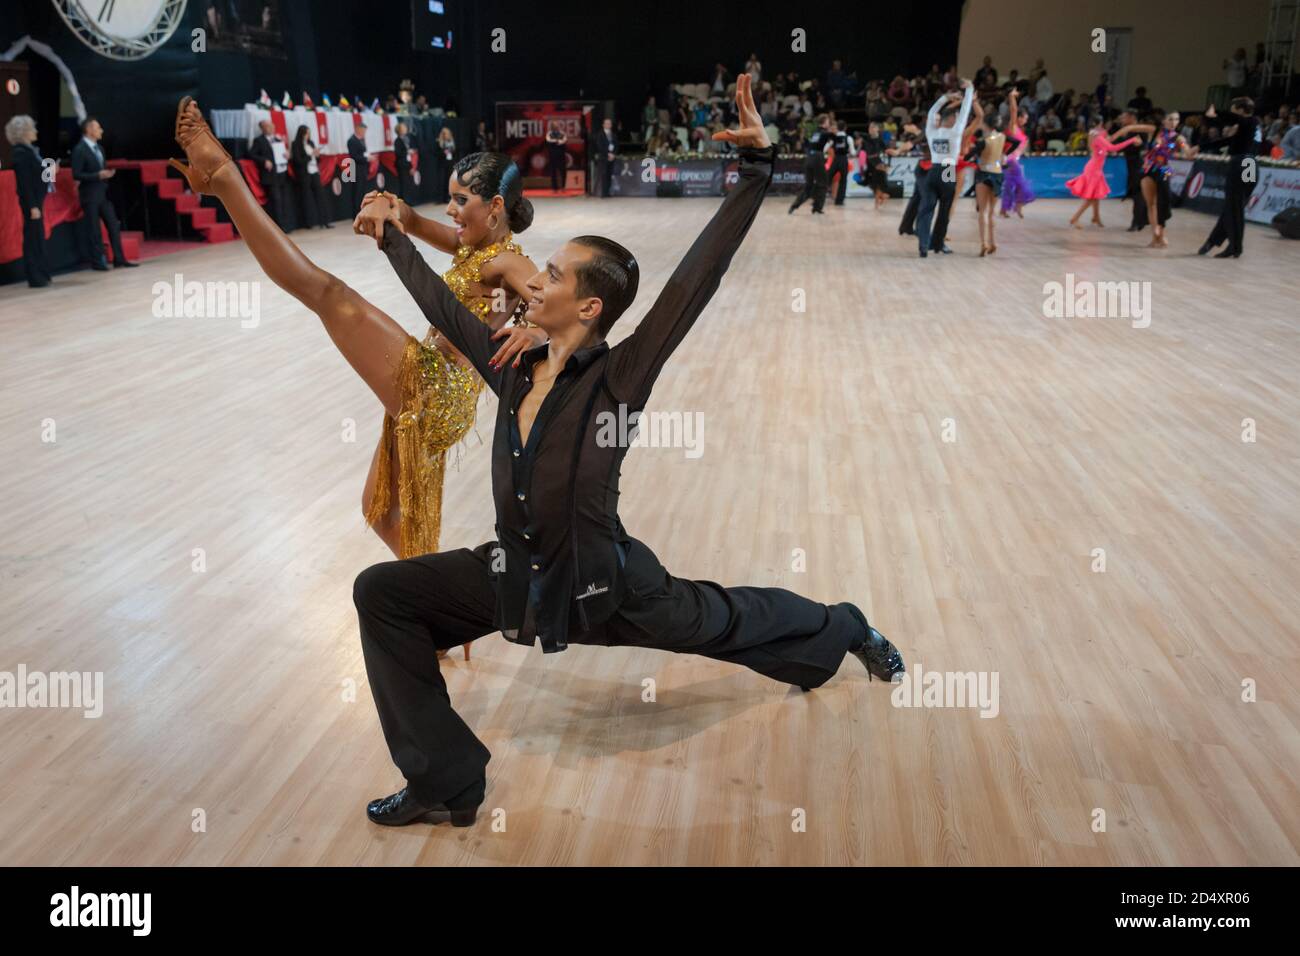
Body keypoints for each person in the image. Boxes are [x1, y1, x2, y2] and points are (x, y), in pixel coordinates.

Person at [348, 75, 905, 827]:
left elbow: (694, 282)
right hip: (517, 576)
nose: (532, 279)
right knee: (383, 594)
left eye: (550, 275)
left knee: (729, 621)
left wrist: (756, 173)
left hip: (609, 586)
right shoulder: (513, 364)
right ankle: (445, 779)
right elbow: (442, 303)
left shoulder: (620, 376)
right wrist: (390, 237)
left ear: (588, 307)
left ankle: (844, 626)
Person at [168, 97, 547, 654]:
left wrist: (535, 330)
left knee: (328, 294)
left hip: (439, 389)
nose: (449, 211)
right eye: (449, 198)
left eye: (460, 201)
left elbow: (547, 298)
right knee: (379, 507)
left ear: (494, 208)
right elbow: (411, 220)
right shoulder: (471, 243)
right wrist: (387, 203)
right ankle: (445, 607)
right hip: (426, 381)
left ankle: (225, 179)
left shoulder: (507, 260)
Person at [915, 80, 976, 258]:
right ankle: (938, 244)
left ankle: (923, 246)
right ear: (952, 119)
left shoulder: (932, 132)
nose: (958, 119)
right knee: (944, 210)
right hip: (948, 170)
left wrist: (945, 98)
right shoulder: (955, 133)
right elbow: (965, 111)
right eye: (956, 117)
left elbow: (932, 112)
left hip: (933, 170)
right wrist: (970, 89)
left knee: (926, 209)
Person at [1197, 98, 1260, 258]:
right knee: (1233, 207)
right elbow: (1227, 140)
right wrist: (1199, 147)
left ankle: (1235, 246)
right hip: (1250, 164)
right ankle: (1213, 241)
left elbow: (1233, 119)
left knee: (1234, 207)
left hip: (1243, 164)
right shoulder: (1247, 127)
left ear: (1241, 110)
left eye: (1234, 110)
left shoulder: (1251, 121)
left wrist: (1214, 114)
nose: (1232, 114)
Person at [70, 117, 136, 269]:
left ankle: (119, 259)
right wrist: (97, 175)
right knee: (94, 229)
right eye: (98, 128)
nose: (101, 131)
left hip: (102, 194)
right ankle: (98, 261)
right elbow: (76, 174)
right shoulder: (79, 150)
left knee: (113, 225)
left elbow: (101, 168)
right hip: (89, 195)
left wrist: (105, 175)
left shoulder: (100, 149)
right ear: (89, 130)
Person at [1065, 119, 1144, 228]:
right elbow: (1113, 148)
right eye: (1103, 126)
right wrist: (1132, 140)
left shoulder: (1095, 135)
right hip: (1093, 170)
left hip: (1095, 169)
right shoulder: (1098, 138)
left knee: (1095, 195)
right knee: (1091, 198)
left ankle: (1095, 217)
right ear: (1100, 125)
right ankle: (1075, 218)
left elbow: (1108, 141)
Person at [7, 115, 53, 288]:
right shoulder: (21, 153)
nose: (35, 131)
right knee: (33, 239)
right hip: (32, 204)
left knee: (38, 238)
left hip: (36, 202)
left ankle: (42, 274)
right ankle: (36, 277)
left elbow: (38, 178)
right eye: (32, 128)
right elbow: (25, 183)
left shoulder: (29, 151)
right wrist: (33, 205)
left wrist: (49, 171)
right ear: (24, 132)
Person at [1138, 114, 1191, 249]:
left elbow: (1186, 149)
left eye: (1176, 119)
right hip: (1148, 168)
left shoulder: (1178, 137)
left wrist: (1188, 151)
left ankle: (1161, 233)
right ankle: (1155, 236)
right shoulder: (1154, 131)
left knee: (1164, 201)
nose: (1174, 122)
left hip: (1164, 169)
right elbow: (1132, 127)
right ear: (1164, 121)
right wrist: (1114, 137)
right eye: (1170, 119)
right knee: (1150, 203)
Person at [971, 112, 1005, 256]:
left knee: (982, 212)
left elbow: (969, 155)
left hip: (984, 173)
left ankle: (983, 243)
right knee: (992, 212)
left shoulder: (982, 141)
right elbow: (1015, 143)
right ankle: (993, 242)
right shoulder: (1002, 137)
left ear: (985, 124)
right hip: (997, 173)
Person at [248, 119, 289, 229]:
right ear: (262, 128)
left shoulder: (277, 139)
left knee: (283, 200)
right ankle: (279, 227)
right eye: (268, 126)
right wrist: (264, 161)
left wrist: (286, 155)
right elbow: (252, 154)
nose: (271, 128)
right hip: (270, 175)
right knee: (276, 201)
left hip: (281, 173)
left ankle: (286, 224)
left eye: (272, 126)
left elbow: (282, 153)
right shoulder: (259, 140)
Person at [1000, 93, 1036, 219]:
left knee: (1013, 186)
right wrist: (1012, 97)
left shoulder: (1021, 131)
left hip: (1014, 161)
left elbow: (1020, 148)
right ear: (1018, 118)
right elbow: (1014, 110)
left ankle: (1011, 209)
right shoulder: (1013, 127)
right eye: (1024, 118)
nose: (1026, 120)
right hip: (1010, 161)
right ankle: (1010, 209)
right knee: (1019, 186)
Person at [290, 125, 332, 229]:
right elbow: (298, 161)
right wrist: (311, 155)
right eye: (306, 133)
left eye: (309, 133)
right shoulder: (295, 144)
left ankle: (325, 221)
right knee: (307, 198)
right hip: (304, 173)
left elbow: (316, 160)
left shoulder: (311, 143)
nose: (308, 135)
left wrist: (317, 156)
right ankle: (310, 222)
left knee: (320, 196)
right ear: (301, 134)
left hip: (314, 171)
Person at [788, 113, 832, 214]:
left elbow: (809, 142)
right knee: (823, 183)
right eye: (828, 121)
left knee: (809, 185)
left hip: (809, 158)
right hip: (818, 158)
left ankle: (794, 206)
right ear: (824, 123)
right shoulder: (824, 132)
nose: (829, 123)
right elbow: (833, 137)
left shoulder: (815, 132)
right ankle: (817, 208)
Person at [345, 121, 371, 216]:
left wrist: (367, 158)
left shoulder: (362, 140)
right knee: (357, 191)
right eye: (363, 130)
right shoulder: (352, 141)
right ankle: (356, 213)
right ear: (358, 129)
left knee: (363, 191)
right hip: (355, 169)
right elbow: (354, 156)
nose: (364, 132)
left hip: (363, 169)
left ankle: (363, 210)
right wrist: (366, 158)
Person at [828, 119, 851, 205]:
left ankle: (818, 197)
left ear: (837, 128)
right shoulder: (848, 138)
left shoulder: (833, 138)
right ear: (845, 128)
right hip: (844, 160)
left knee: (828, 178)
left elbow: (825, 147)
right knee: (843, 180)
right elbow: (852, 152)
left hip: (835, 159)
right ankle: (839, 201)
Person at [594, 116, 617, 197]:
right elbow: (600, 146)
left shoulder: (613, 135)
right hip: (604, 157)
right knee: (603, 175)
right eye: (606, 123)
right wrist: (607, 153)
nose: (608, 125)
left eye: (609, 123)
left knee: (609, 175)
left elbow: (616, 145)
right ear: (603, 125)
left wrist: (613, 154)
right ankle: (603, 193)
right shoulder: (600, 135)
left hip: (612, 157)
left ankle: (607, 192)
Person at [393, 120, 415, 203]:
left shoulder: (406, 139)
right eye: (404, 128)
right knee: (403, 183)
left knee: (408, 183)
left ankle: (409, 200)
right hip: (401, 164)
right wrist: (407, 152)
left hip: (407, 163)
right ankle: (404, 201)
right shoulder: (397, 140)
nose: (406, 129)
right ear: (400, 130)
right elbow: (398, 153)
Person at [545, 121, 568, 192]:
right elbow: (548, 139)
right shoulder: (549, 133)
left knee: (563, 171)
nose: (556, 126)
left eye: (557, 124)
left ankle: (563, 187)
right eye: (555, 125)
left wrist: (561, 141)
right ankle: (554, 188)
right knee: (553, 172)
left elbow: (564, 139)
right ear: (552, 126)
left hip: (561, 155)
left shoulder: (562, 133)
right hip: (552, 156)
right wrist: (556, 140)